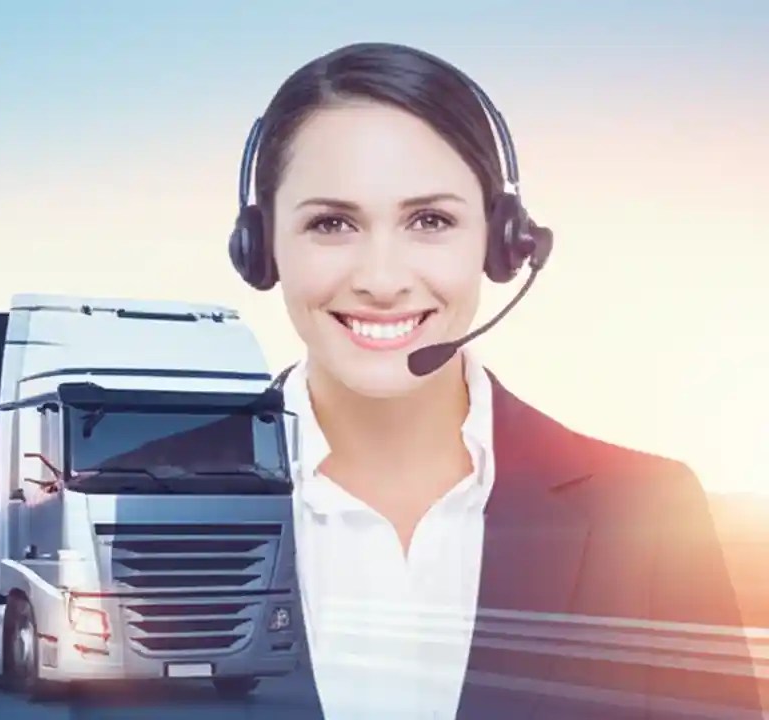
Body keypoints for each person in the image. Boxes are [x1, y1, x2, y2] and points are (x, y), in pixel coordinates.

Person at [228, 42, 763, 719]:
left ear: (503, 241)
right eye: (331, 223)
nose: (382, 280)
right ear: (261, 245)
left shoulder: (649, 513)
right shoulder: (119, 501)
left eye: (430, 221)